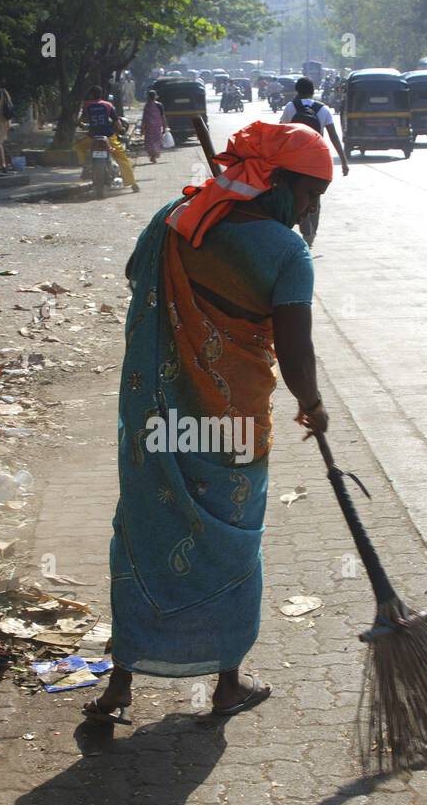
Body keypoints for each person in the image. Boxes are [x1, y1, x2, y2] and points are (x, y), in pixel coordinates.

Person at [82, 120, 332, 724]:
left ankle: (119, 686)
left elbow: (135, 277)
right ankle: (226, 684)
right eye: (307, 194)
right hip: (233, 431)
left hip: (159, 423)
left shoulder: (176, 217)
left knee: (146, 530)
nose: (308, 209)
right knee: (232, 543)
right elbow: (296, 351)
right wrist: (312, 403)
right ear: (280, 183)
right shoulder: (287, 252)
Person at [279, 77, 348, 246]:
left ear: (297, 90)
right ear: (313, 90)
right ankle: (312, 233)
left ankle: (306, 230)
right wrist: (344, 161)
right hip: (318, 160)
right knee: (315, 196)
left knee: (297, 195)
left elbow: (281, 132)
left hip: (295, 160)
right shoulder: (323, 109)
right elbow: (333, 137)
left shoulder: (291, 107)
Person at [74, 85, 139, 192]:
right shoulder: (108, 105)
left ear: (91, 95)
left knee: (78, 145)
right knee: (122, 159)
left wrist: (80, 123)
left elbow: (82, 119)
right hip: (109, 137)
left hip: (92, 137)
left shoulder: (87, 105)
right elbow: (116, 120)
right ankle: (132, 184)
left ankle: (84, 165)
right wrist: (121, 129)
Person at [140, 88, 168, 163]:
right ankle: (154, 155)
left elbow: (144, 118)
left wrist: (142, 128)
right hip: (157, 127)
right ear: (155, 96)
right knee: (157, 141)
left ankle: (152, 155)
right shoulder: (159, 105)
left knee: (150, 141)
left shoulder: (146, 106)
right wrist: (165, 126)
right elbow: (163, 116)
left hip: (149, 127)